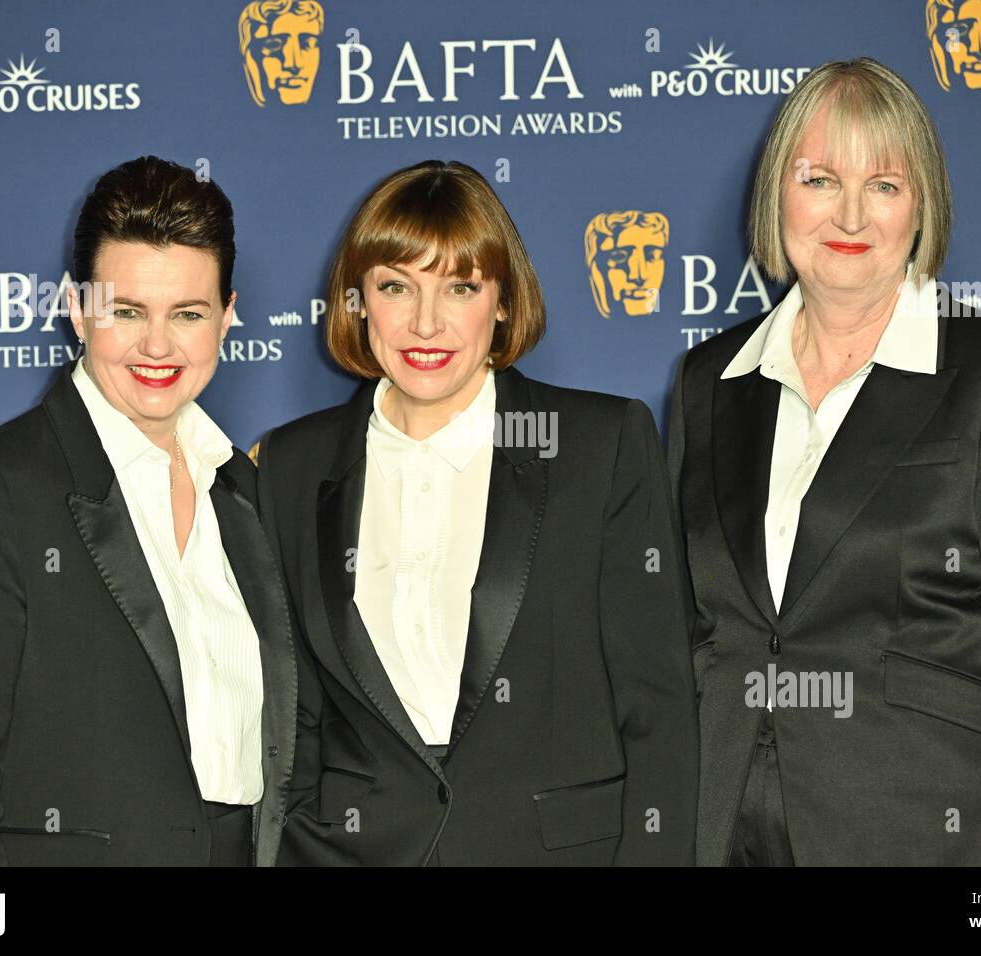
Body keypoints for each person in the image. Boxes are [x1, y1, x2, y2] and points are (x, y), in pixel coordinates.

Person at [669, 58, 981, 865]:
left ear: (921, 204)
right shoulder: (709, 382)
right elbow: (687, 635)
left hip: (923, 834)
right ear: (778, 197)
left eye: (885, 185)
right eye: (821, 178)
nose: (851, 213)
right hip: (719, 830)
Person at [258, 159, 697, 865]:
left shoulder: (599, 444)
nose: (425, 321)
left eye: (459, 286)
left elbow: (660, 708)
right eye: (396, 286)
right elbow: (293, 715)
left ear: (500, 301)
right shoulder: (290, 465)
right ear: (358, 300)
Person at [0, 156, 297, 866]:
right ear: (78, 308)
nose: (157, 345)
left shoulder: (245, 490)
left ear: (228, 317)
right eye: (127, 310)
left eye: (188, 314)